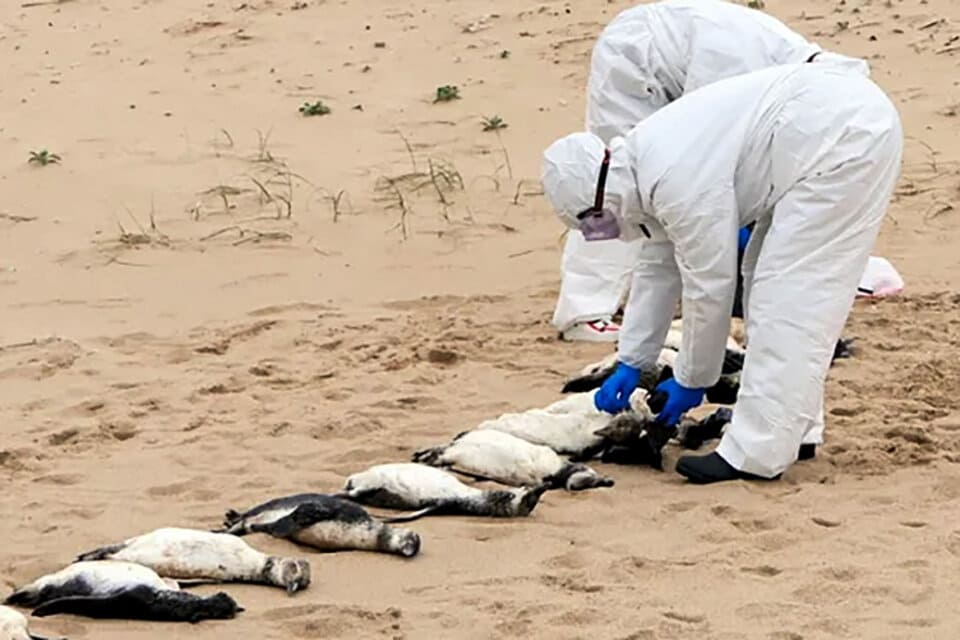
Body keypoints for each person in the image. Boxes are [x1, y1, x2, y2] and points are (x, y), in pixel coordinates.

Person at [540, 61, 903, 483]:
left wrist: (692, 380)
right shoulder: (640, 172)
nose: (604, 233)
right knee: (766, 284)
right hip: (822, 134)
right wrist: (632, 361)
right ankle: (795, 429)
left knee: (787, 298)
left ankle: (756, 453)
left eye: (597, 223)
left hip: (840, 137)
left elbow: (708, 286)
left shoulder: (672, 178)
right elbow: (658, 267)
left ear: (601, 192)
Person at [554, 0, 867, 342]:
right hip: (634, 60)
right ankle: (583, 311)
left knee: (661, 198)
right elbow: (712, 156)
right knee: (612, 188)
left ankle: (652, 300)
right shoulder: (752, 65)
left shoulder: (789, 71)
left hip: (668, 56)